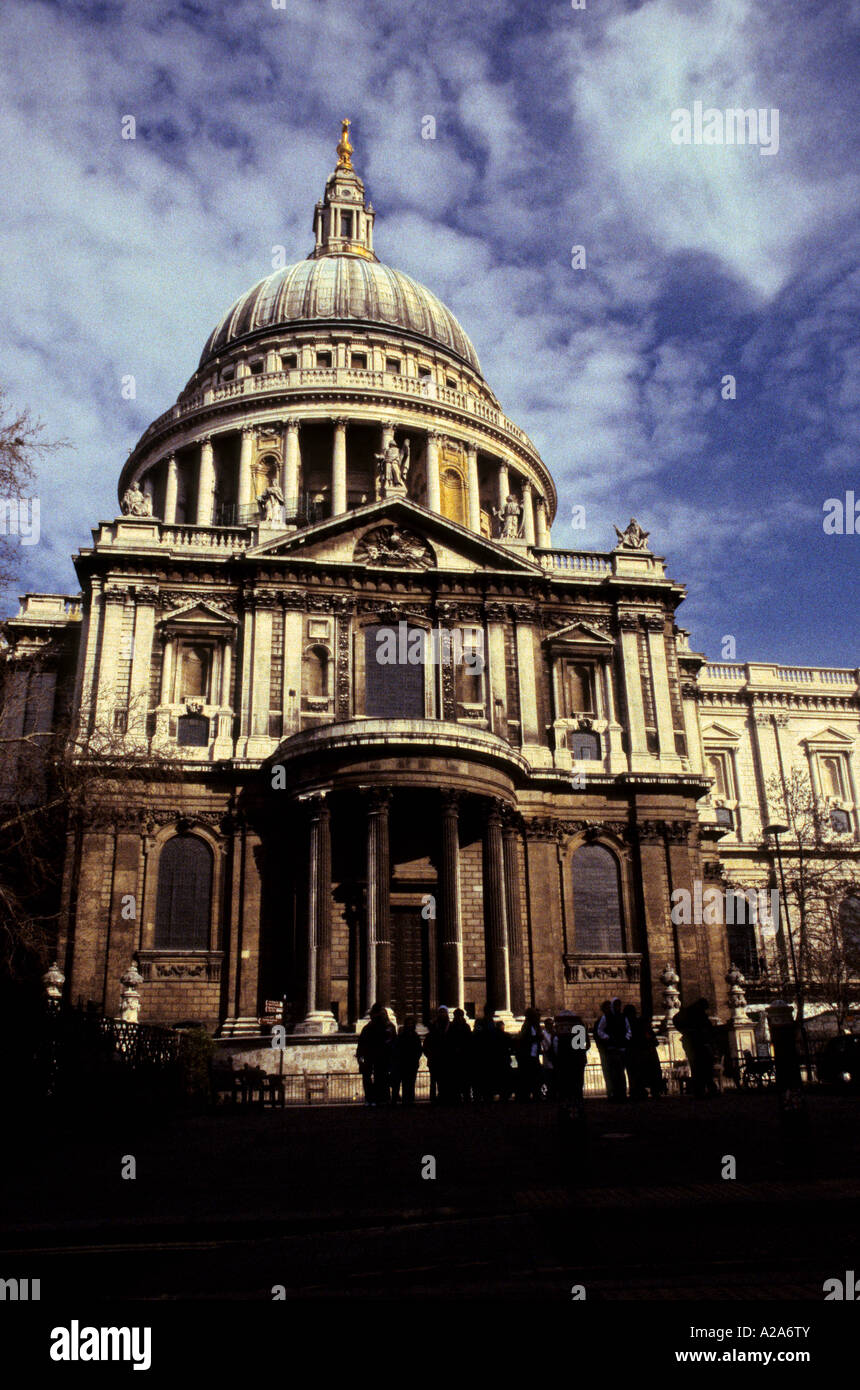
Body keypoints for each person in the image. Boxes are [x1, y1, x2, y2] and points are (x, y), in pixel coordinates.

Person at [676, 998, 719, 1097]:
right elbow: (709, 1030)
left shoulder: (691, 1014)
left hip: (694, 1044)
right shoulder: (697, 1015)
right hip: (698, 1045)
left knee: (698, 1068)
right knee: (703, 1068)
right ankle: (706, 1089)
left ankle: (702, 1090)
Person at [355, 1002, 394, 1106]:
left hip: (382, 1058)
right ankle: (371, 1098)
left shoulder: (388, 1027)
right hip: (371, 1057)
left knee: (381, 1078)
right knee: (368, 1079)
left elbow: (390, 1042)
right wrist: (360, 1056)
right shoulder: (368, 1028)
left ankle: (381, 1098)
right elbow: (362, 1043)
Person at [596, 997, 631, 1101]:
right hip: (612, 1048)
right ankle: (615, 1094)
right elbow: (600, 1031)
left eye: (619, 1005)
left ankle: (622, 1093)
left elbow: (628, 1029)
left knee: (621, 1072)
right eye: (615, 1005)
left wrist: (626, 1038)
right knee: (614, 1073)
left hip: (622, 1048)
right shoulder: (605, 1017)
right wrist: (608, 1038)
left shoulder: (623, 1017)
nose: (617, 1007)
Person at [391, 1016, 423, 1105]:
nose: (409, 1025)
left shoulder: (415, 1036)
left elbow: (419, 1049)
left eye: (411, 1023)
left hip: (412, 1063)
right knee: (403, 1082)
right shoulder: (401, 1036)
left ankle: (409, 1100)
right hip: (402, 1063)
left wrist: (415, 1058)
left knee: (410, 1083)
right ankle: (403, 1100)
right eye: (408, 1023)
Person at [422, 1006, 451, 1105]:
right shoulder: (433, 1027)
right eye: (440, 1012)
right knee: (433, 1081)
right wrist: (430, 1055)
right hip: (435, 1058)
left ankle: (444, 1097)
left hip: (446, 1059)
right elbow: (427, 1044)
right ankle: (433, 1099)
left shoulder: (450, 1027)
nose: (442, 1014)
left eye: (444, 1012)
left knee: (445, 1080)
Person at [516, 1007, 545, 1101]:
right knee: (530, 1075)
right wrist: (537, 1038)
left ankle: (535, 1093)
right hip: (527, 1056)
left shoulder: (535, 1026)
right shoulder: (527, 1026)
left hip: (533, 1055)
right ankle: (527, 1095)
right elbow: (523, 1039)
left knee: (537, 1075)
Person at [447, 1007, 473, 1103]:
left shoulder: (464, 1027)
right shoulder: (453, 1027)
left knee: (463, 1079)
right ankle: (459, 1096)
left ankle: (464, 1096)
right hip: (457, 1057)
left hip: (463, 1057)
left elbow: (469, 1040)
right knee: (458, 1079)